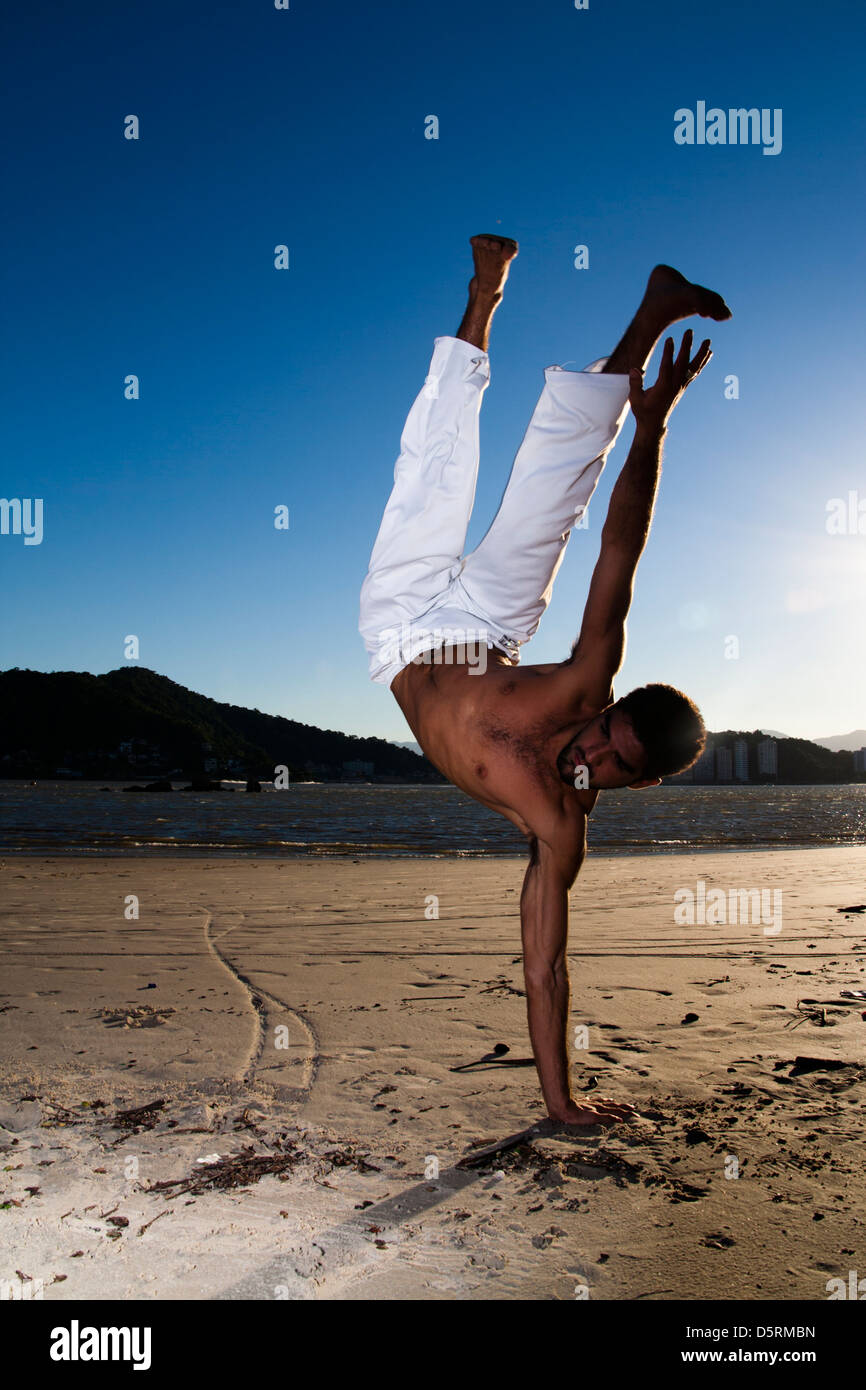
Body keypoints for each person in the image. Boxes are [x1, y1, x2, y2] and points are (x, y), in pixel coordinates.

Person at [359, 235, 732, 1126]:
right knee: (557, 492)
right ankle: (631, 311)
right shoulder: (584, 679)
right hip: (487, 626)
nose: (590, 753)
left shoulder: (557, 827)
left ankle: (487, 297)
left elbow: (544, 966)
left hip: (401, 624)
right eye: (607, 731)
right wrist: (654, 425)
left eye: (613, 765)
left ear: (634, 785)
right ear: (609, 707)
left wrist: (561, 1103)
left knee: (431, 471)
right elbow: (620, 545)